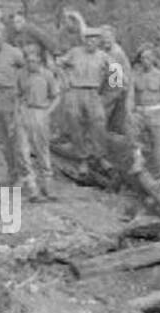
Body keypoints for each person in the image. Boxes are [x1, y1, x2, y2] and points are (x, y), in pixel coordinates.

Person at [57, 25, 110, 175]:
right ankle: (82, 159)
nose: (90, 42)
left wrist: (106, 92)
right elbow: (58, 63)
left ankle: (100, 157)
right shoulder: (74, 52)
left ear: (98, 41)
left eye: (93, 40)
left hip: (93, 92)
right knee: (75, 123)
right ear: (83, 40)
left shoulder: (103, 55)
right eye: (87, 39)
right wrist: (65, 80)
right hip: (75, 91)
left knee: (99, 122)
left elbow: (116, 74)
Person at [16, 41, 60, 201]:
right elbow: (18, 94)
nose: (30, 63)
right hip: (27, 111)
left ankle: (47, 185)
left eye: (34, 60)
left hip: (42, 112)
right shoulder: (22, 74)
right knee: (23, 149)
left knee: (42, 149)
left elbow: (117, 83)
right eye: (28, 60)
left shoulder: (113, 57)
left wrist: (48, 111)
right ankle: (32, 185)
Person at [0, 13, 26, 186]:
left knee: (14, 138)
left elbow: (25, 71)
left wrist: (19, 93)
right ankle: (11, 174)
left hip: (10, 97)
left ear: (4, 37)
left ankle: (23, 177)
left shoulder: (15, 53)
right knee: (2, 139)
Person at [133, 46, 160, 182]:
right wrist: (130, 113)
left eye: (149, 57)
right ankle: (138, 159)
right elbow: (129, 97)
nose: (145, 60)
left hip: (156, 114)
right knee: (133, 137)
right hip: (139, 113)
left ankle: (159, 178)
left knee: (159, 147)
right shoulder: (135, 76)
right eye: (143, 58)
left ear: (154, 59)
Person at [99, 26, 135, 137]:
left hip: (117, 90)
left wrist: (100, 98)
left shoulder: (115, 53)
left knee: (100, 114)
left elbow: (114, 84)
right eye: (103, 38)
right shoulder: (103, 50)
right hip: (110, 88)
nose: (106, 40)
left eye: (108, 37)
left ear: (113, 38)